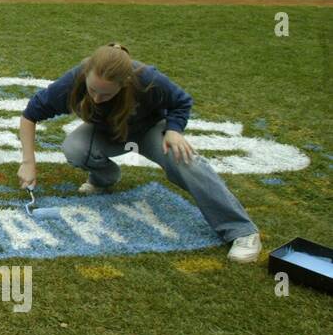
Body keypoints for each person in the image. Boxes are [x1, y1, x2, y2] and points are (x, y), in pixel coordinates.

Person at [17, 43, 262, 263]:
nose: (97, 98)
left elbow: (182, 102)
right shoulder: (74, 80)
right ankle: (104, 179)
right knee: (75, 148)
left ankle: (241, 231)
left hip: (150, 131)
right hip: (107, 133)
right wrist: (28, 161)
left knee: (185, 161)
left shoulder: (148, 79)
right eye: (92, 90)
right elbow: (30, 115)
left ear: (125, 84)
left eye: (106, 93)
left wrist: (174, 130)